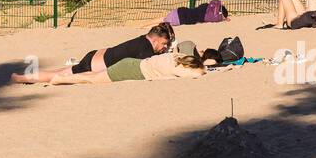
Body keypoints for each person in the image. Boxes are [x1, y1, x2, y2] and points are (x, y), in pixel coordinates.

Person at [10, 23, 175, 84]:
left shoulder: (142, 40)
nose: (164, 48)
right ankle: (22, 77)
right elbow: (149, 67)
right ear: (155, 40)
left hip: (97, 56)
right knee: (59, 73)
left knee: (61, 70)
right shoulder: (146, 48)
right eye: (164, 44)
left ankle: (26, 76)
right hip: (94, 64)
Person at [49, 50, 206, 85]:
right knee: (93, 80)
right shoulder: (180, 69)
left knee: (94, 75)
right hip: (133, 71)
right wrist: (203, 71)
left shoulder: (176, 56)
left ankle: (62, 78)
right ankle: (59, 80)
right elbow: (192, 75)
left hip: (132, 63)